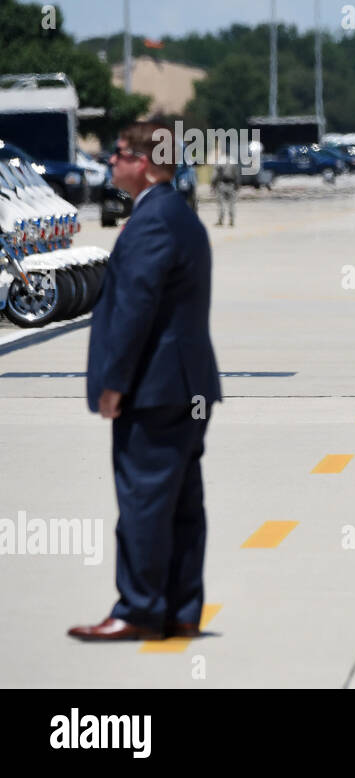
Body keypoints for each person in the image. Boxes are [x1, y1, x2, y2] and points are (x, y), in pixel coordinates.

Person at [69, 122, 222, 641]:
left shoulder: (153, 220)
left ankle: (136, 610)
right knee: (180, 504)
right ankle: (179, 609)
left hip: (156, 389)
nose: (111, 162)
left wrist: (114, 382)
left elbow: (136, 308)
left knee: (142, 502)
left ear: (148, 163)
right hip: (187, 386)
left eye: (120, 154)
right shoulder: (177, 214)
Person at [212, 150, 239, 227]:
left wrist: (213, 184)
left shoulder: (220, 161)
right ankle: (231, 220)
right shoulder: (233, 161)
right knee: (232, 204)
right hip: (232, 184)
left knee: (221, 204)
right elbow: (237, 174)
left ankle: (221, 220)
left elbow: (215, 174)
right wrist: (237, 185)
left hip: (221, 184)